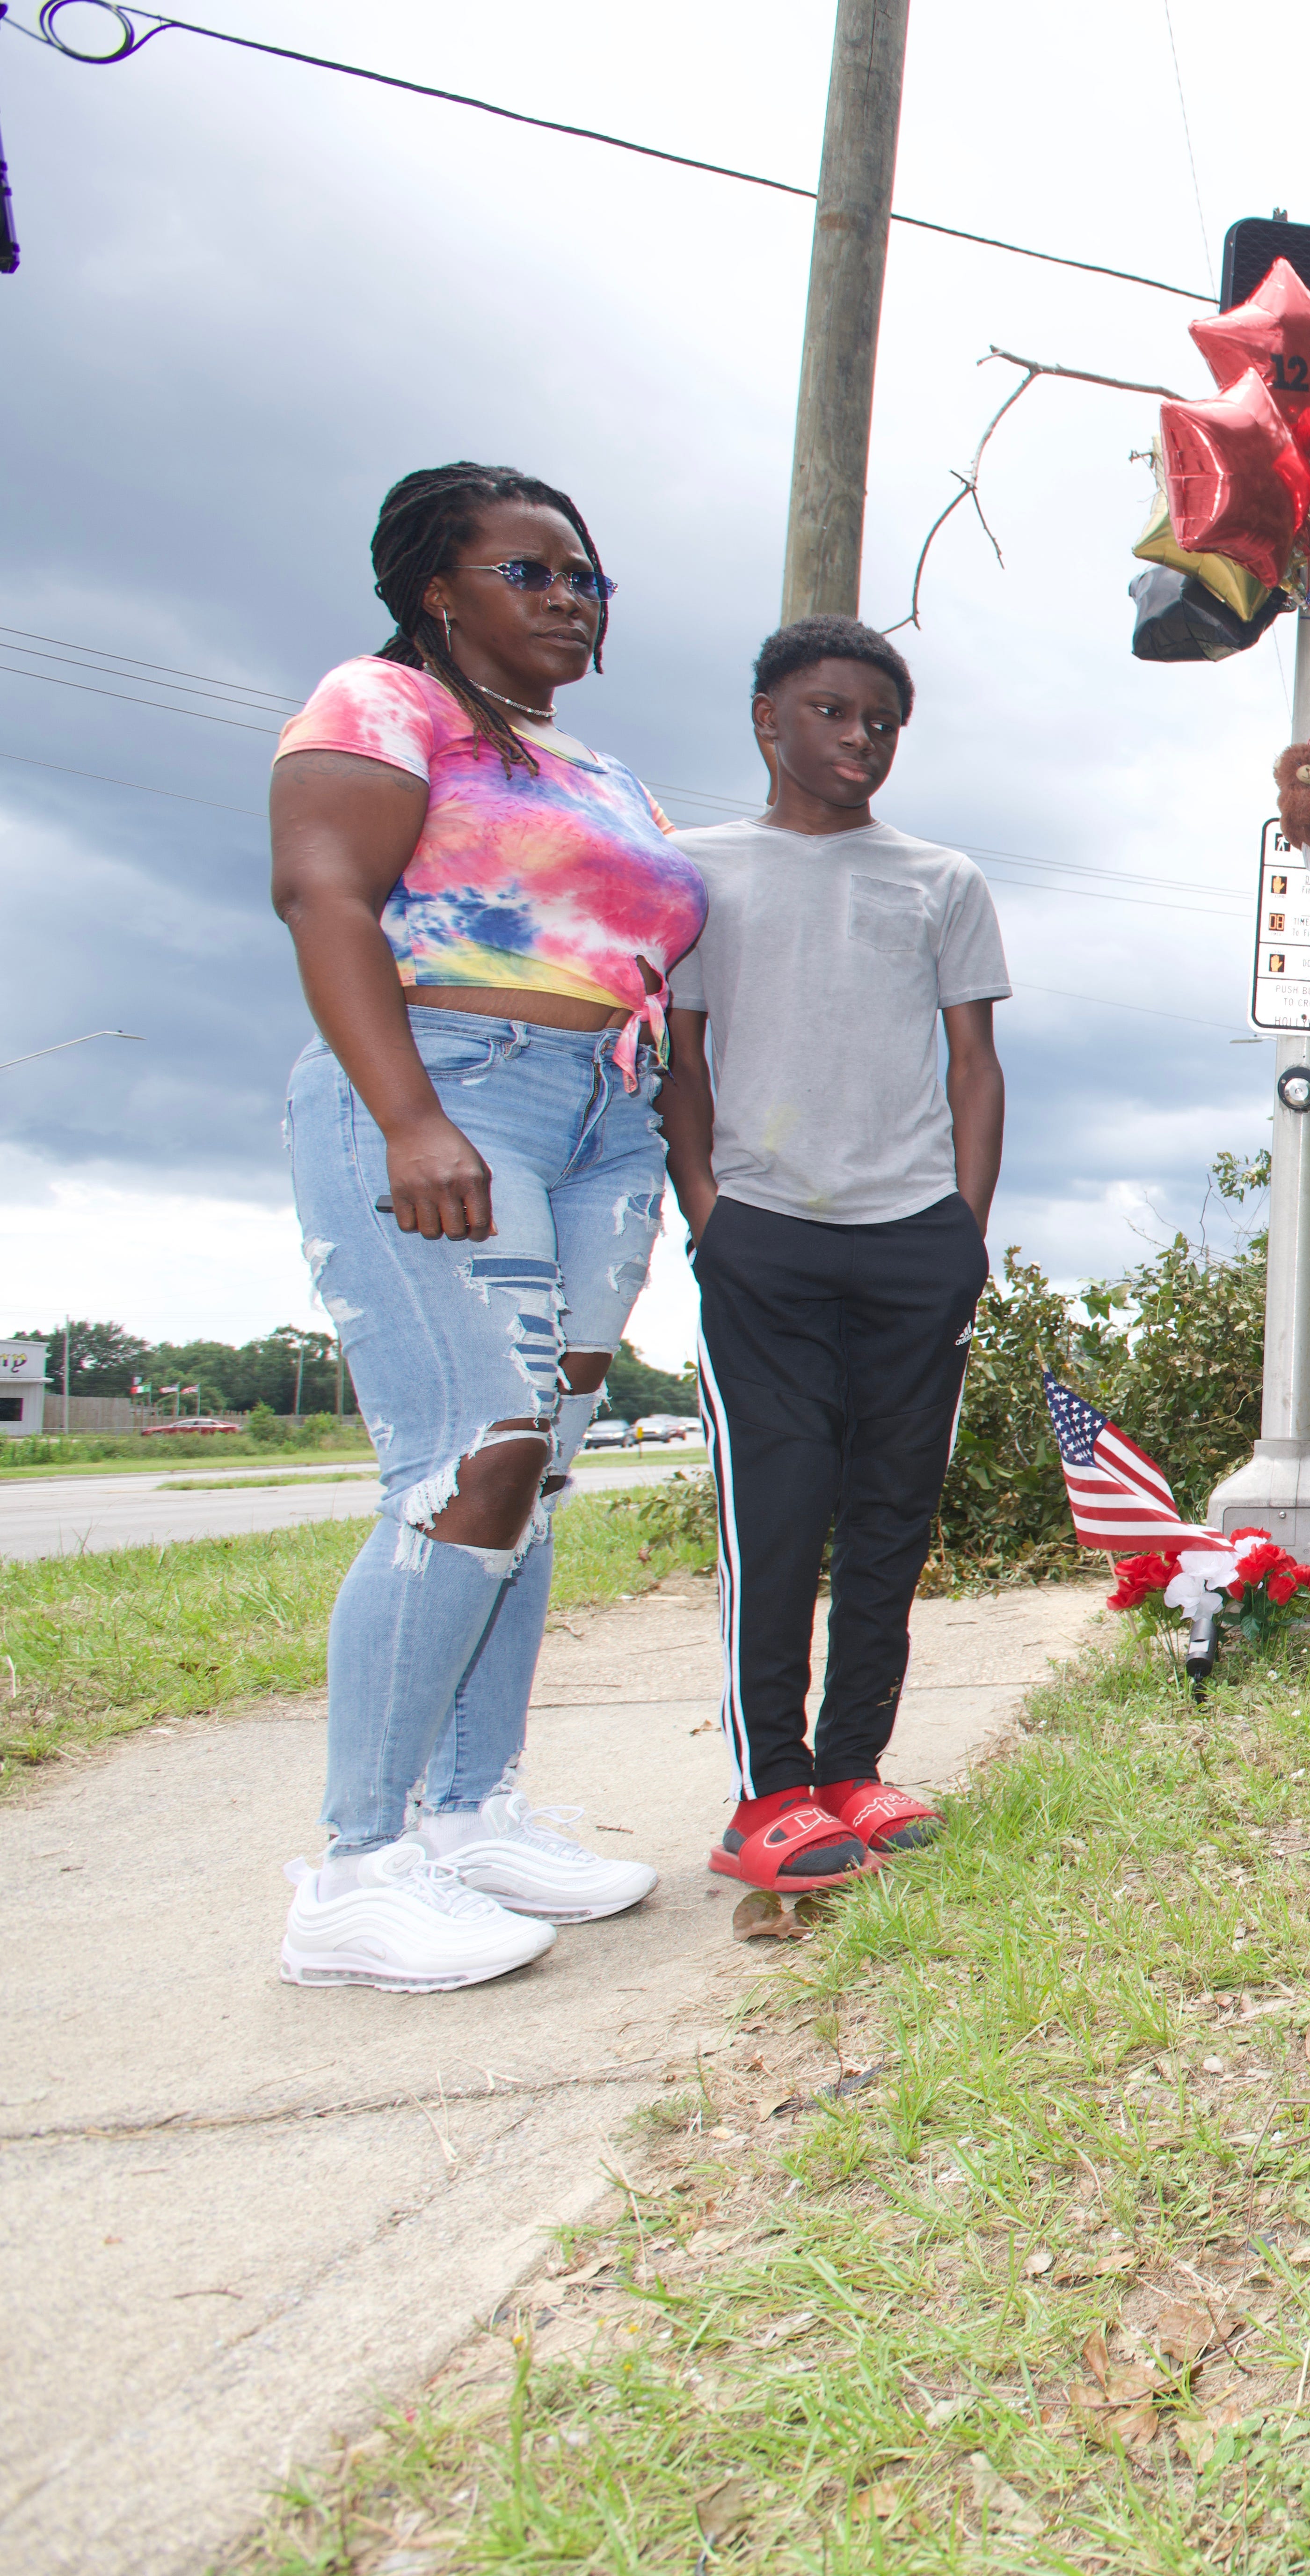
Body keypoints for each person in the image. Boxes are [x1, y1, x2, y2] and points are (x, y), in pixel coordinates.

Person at [269, 463, 693, 1990]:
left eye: (587, 578)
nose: (572, 599)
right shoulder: (383, 706)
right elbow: (324, 894)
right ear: (438, 590)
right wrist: (409, 1121)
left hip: (599, 1122)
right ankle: (357, 1870)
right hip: (452, 1088)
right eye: (533, 572)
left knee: (536, 1485)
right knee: (469, 1462)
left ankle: (466, 1815)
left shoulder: (597, 773)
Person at [659, 618, 1007, 1889]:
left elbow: (975, 1064)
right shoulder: (694, 872)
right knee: (782, 1506)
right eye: (832, 712)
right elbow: (680, 1061)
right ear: (769, 721)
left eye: (881, 722)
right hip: (768, 1245)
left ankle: (855, 1770)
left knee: (890, 1519)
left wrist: (962, 1231)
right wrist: (709, 1210)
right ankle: (770, 1792)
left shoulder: (941, 880)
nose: (860, 738)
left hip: (913, 1242)